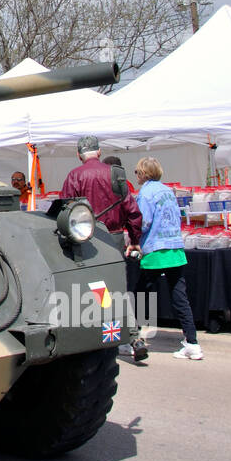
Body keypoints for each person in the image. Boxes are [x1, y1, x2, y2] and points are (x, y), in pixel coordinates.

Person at [61, 136, 147, 361]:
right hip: (115, 237)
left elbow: (65, 210)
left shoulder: (74, 176)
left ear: (79, 155)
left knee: (92, 287)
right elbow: (133, 211)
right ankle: (132, 335)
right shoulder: (115, 174)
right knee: (116, 286)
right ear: (99, 152)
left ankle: (97, 335)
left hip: (86, 238)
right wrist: (135, 239)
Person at [131, 157, 202, 360]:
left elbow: (143, 222)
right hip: (175, 248)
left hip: (156, 249)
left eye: (137, 172)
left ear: (143, 173)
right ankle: (192, 343)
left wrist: (133, 237)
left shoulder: (145, 193)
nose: (135, 175)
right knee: (180, 296)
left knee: (141, 296)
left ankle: (132, 339)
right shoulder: (167, 191)